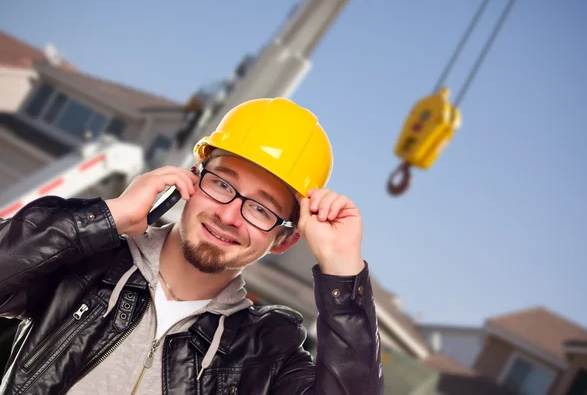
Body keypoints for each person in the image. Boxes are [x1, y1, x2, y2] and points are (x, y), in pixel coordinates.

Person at [0, 97, 384, 394]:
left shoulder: (266, 352)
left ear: (283, 239)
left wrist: (343, 271)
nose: (230, 215)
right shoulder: (87, 261)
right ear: (191, 180)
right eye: (222, 183)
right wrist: (109, 216)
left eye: (261, 208)